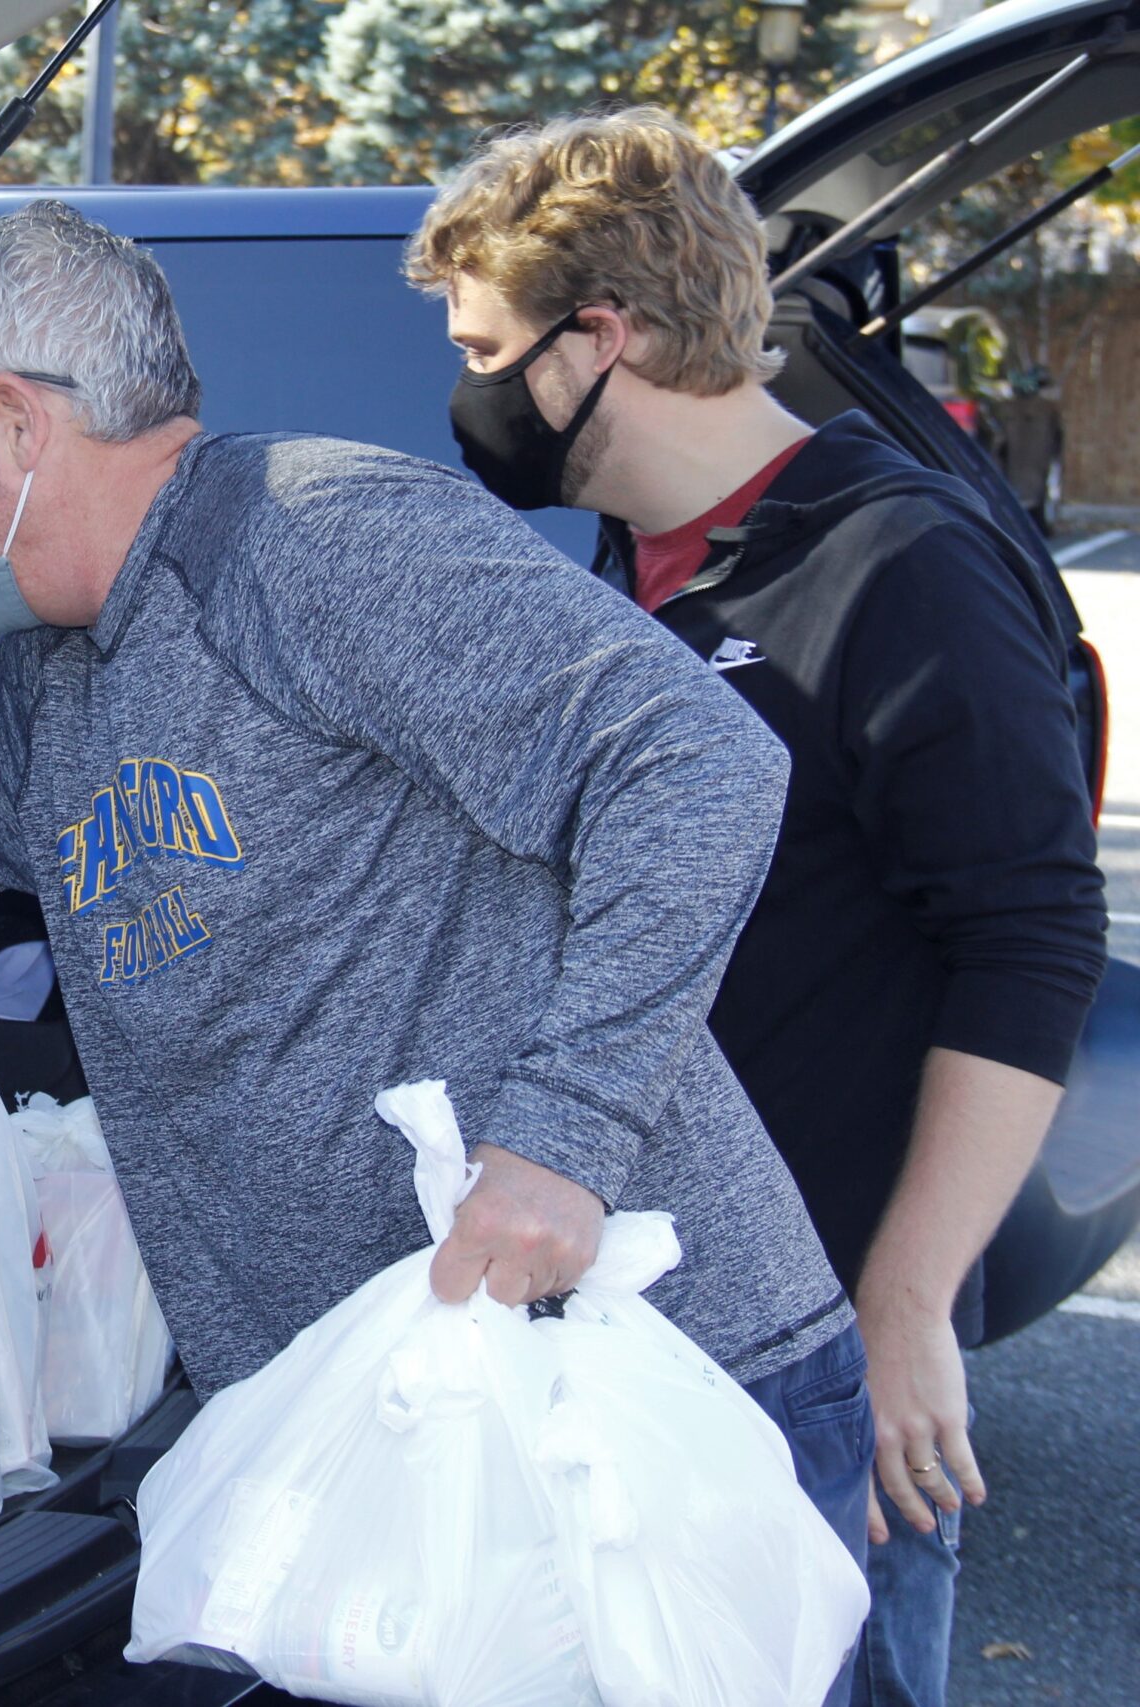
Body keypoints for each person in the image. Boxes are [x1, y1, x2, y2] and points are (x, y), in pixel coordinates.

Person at [0, 190, 852, 1524]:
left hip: (639, 1407)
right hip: (388, 1435)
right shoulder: (47, 695)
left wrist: (564, 1139)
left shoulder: (312, 538)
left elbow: (694, 763)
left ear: (16, 421)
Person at [407, 108, 1109, 1707]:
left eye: (487, 345)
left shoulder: (894, 561)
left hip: (815, 1350)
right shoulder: (627, 564)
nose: (470, 393)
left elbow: (1031, 943)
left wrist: (910, 1305)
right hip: (622, 1326)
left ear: (609, 335)